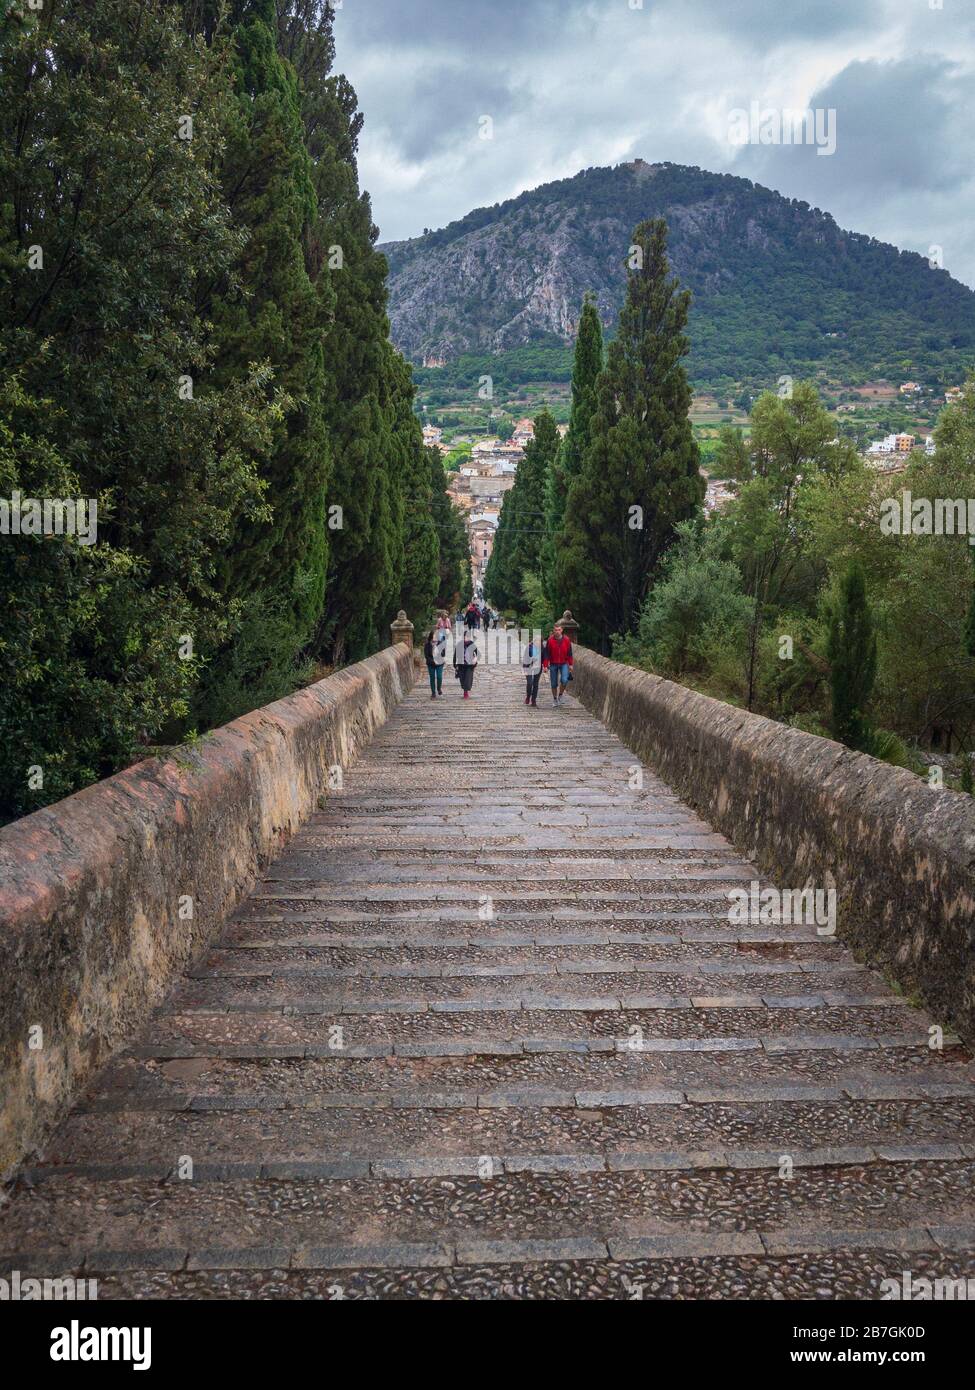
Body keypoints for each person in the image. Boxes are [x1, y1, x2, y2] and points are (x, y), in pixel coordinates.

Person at [542, 622, 573, 706]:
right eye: (556, 630)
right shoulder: (550, 640)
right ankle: (555, 699)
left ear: (562, 630)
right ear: (553, 630)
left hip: (564, 663)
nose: (557, 632)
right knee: (553, 683)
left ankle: (560, 695)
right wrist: (545, 666)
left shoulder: (566, 640)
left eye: (559, 630)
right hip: (553, 663)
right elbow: (546, 654)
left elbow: (570, 653)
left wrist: (570, 664)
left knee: (564, 680)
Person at [453, 629, 479, 698]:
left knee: (467, 679)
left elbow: (477, 654)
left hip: (469, 665)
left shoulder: (472, 644)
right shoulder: (459, 644)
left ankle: (465, 692)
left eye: (468, 637)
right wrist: (455, 665)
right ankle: (465, 689)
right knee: (462, 679)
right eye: (466, 637)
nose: (467, 638)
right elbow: (455, 655)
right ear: (463, 637)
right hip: (461, 665)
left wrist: (475, 661)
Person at [423, 628, 446, 699]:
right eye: (434, 636)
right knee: (432, 677)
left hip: (439, 663)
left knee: (439, 677)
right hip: (431, 663)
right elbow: (426, 656)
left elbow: (443, 654)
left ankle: (439, 689)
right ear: (431, 636)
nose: (435, 638)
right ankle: (433, 693)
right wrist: (433, 661)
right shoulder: (427, 644)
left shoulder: (441, 643)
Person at [522, 634, 544, 707]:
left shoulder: (542, 648)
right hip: (528, 668)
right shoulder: (529, 647)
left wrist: (546, 665)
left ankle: (533, 700)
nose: (538, 642)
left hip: (538, 668)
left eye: (539, 641)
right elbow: (525, 658)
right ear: (534, 641)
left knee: (535, 684)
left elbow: (545, 657)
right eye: (536, 640)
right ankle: (528, 697)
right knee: (530, 683)